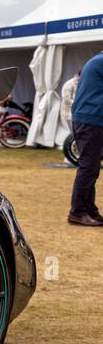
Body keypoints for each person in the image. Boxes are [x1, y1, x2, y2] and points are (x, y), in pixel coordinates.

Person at [67, 50, 103, 226]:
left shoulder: (96, 60)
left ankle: (89, 209)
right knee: (89, 166)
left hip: (89, 118)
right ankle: (78, 212)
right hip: (91, 119)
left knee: (92, 167)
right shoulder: (100, 62)